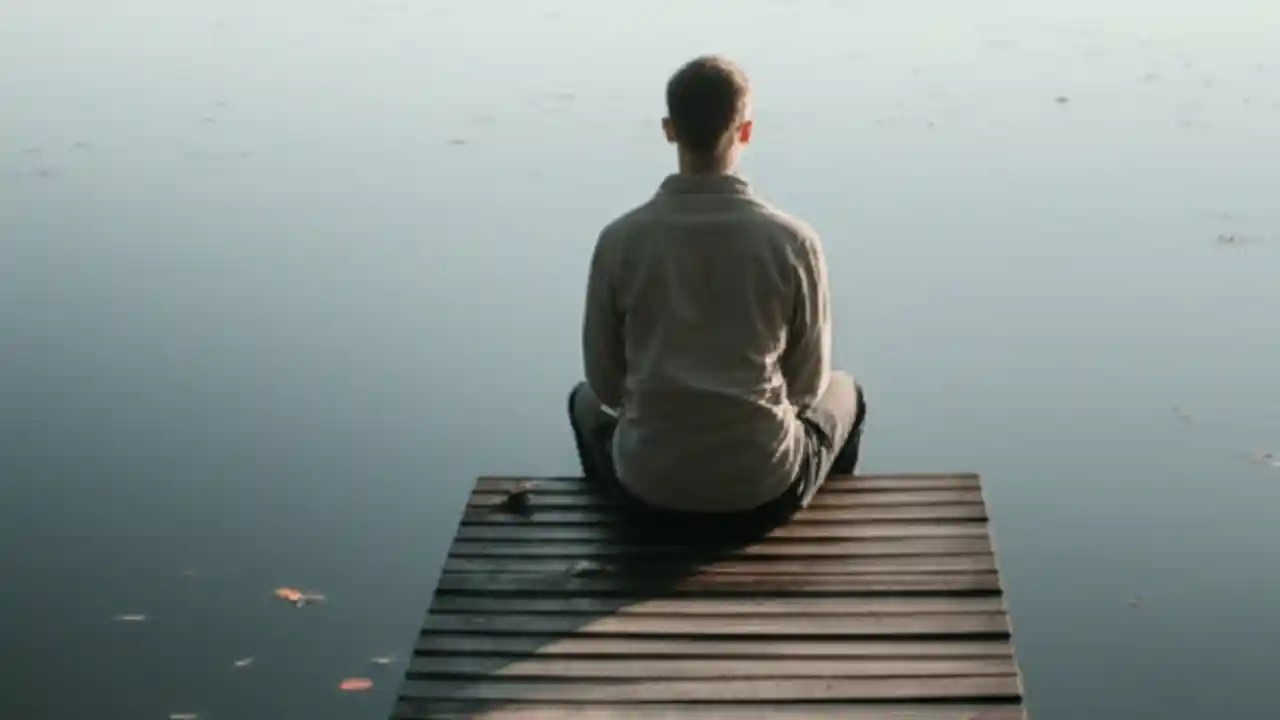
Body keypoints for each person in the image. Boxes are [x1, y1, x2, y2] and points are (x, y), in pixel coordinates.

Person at [568, 55, 866, 532]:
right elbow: (807, 386)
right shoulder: (792, 242)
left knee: (582, 400)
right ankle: (817, 536)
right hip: (762, 489)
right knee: (845, 390)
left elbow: (605, 384)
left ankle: (620, 537)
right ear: (745, 132)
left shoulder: (620, 240)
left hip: (650, 489)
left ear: (669, 129)